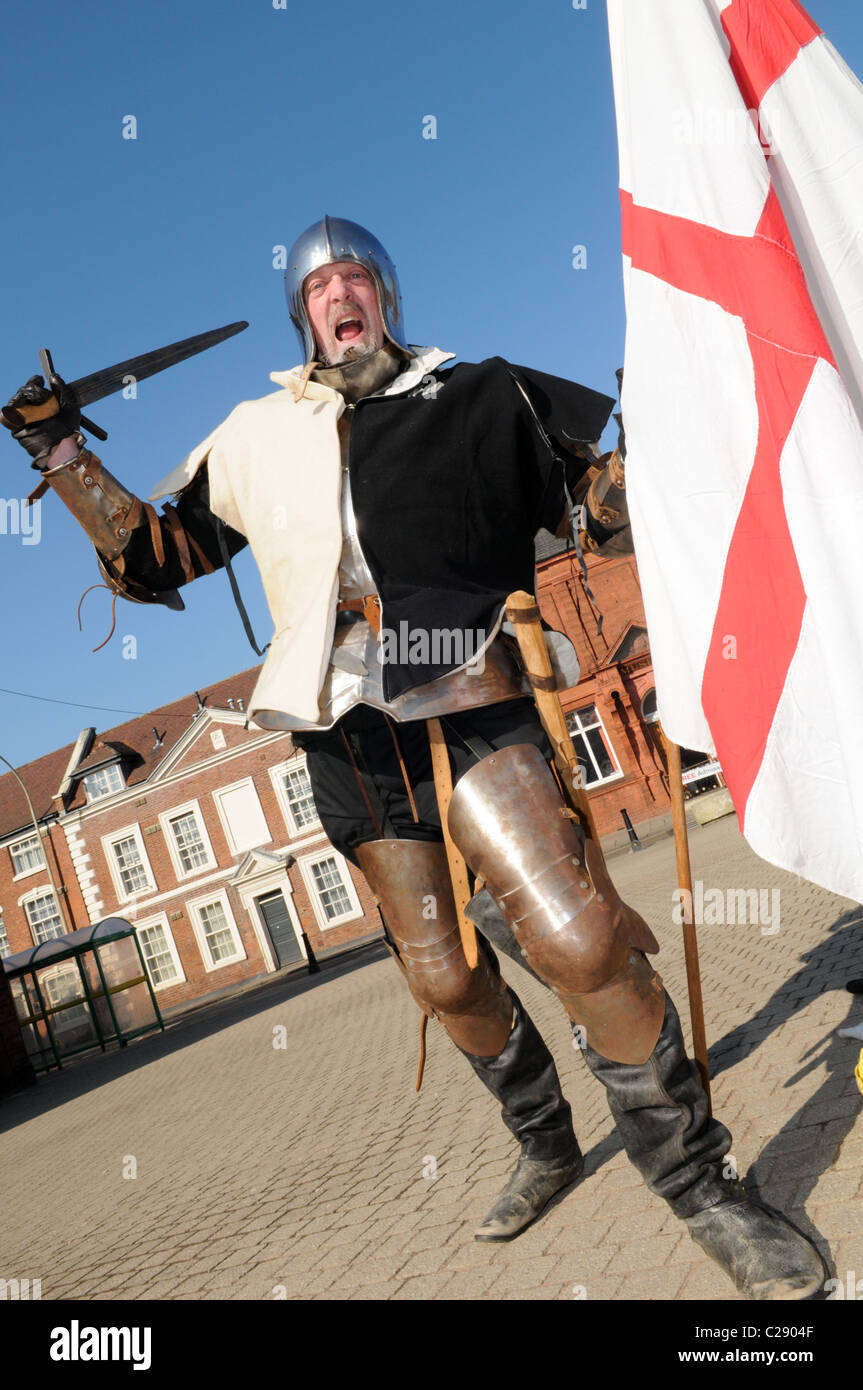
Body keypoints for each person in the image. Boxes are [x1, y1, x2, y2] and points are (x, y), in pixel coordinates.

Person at [3, 216, 827, 1300]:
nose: (338, 297)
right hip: (340, 730)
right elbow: (156, 559)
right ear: (305, 318)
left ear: (383, 296)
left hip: (467, 692)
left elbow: (594, 511)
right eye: (319, 288)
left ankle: (697, 1185)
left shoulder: (482, 393)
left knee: (578, 940)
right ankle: (542, 1137)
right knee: (442, 974)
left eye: (355, 279)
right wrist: (64, 454)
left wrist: (655, 442)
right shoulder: (256, 433)